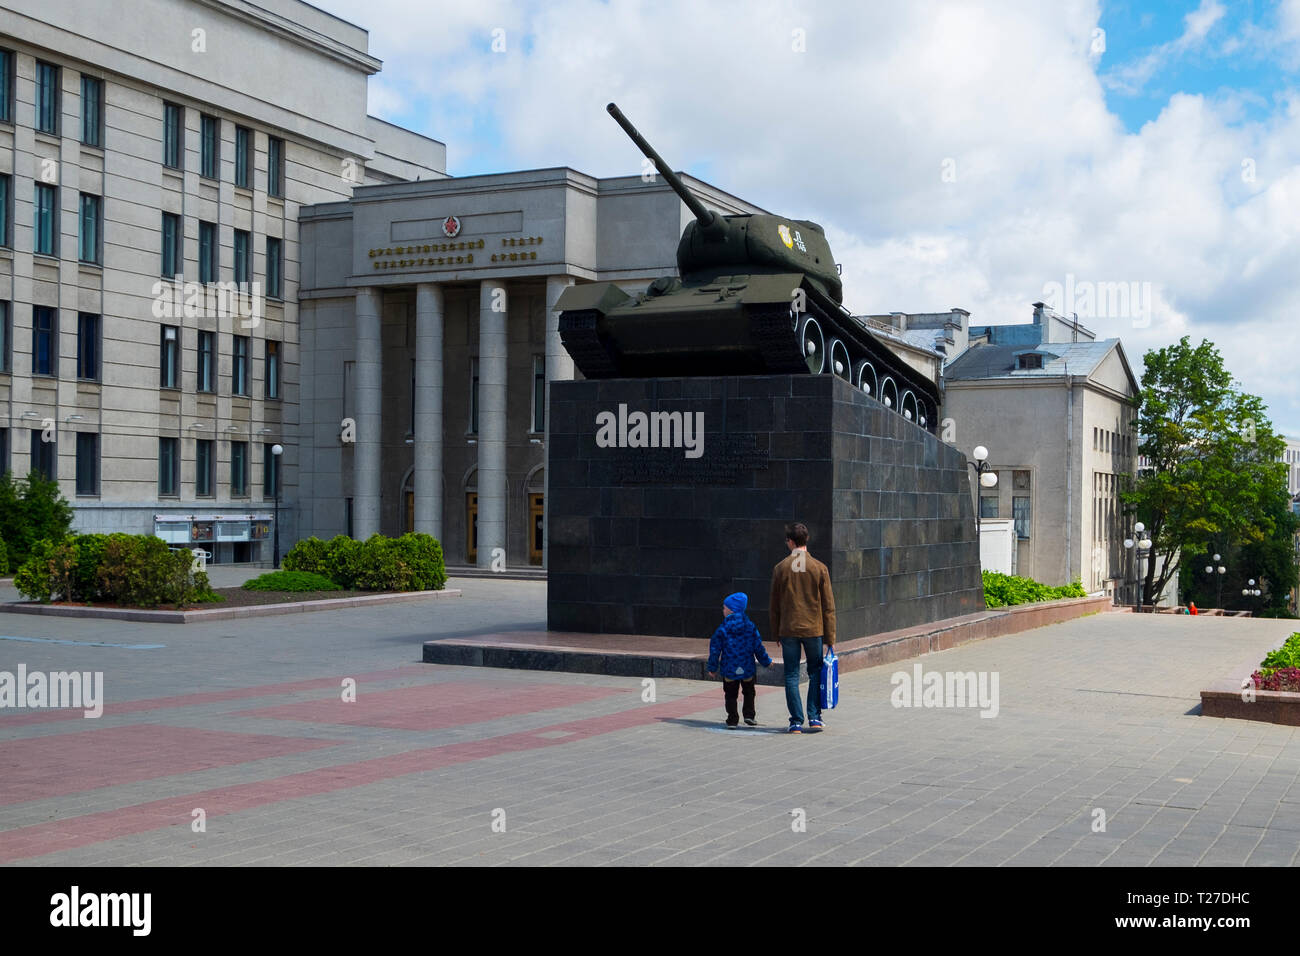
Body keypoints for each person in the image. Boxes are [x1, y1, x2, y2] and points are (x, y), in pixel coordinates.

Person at [770, 522, 836, 734]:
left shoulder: (781, 568)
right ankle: (814, 718)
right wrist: (830, 637)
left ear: (790, 542)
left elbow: (774, 605)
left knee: (791, 675)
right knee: (815, 672)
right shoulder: (819, 567)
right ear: (806, 540)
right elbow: (828, 606)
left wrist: (775, 632)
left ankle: (795, 721)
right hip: (813, 630)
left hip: (788, 629)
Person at [707, 592, 772, 727]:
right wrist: (766, 661)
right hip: (747, 667)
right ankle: (749, 715)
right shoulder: (750, 626)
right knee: (749, 692)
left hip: (729, 668)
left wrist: (712, 668)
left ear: (731, 610)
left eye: (724, 608)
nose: (723, 610)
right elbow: (758, 646)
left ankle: (732, 719)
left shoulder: (723, 628)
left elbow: (715, 649)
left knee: (730, 694)